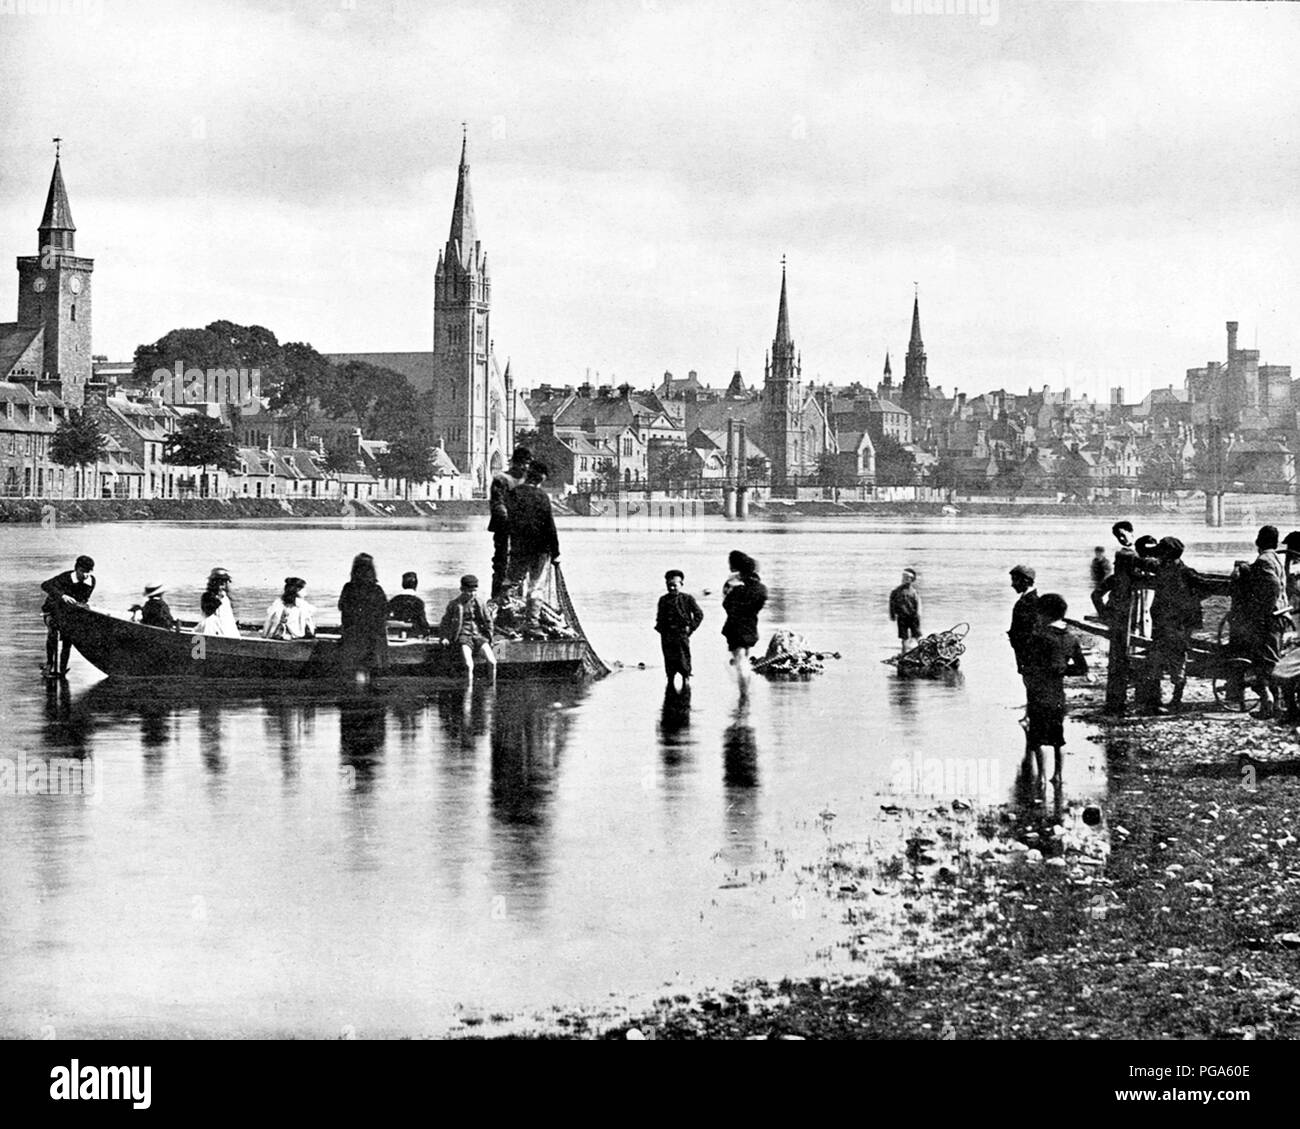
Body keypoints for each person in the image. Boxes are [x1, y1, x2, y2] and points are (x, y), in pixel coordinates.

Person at [1020, 593, 1089, 786]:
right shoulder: (1071, 639)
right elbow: (1082, 668)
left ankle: (1041, 776)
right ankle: (1058, 775)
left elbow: (1029, 665)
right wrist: (1063, 670)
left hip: (1039, 692)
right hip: (1058, 694)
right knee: (1059, 738)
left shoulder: (1037, 637)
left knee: (1036, 738)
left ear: (1045, 614)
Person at [1138, 537, 1208, 713]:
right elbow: (1143, 558)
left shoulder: (1186, 573)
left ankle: (1176, 701)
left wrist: (1191, 604)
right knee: (1156, 659)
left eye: (1161, 553)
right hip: (1163, 624)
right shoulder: (1164, 568)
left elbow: (1206, 586)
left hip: (1178, 626)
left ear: (1168, 556)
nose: (1158, 556)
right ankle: (1156, 700)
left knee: (1176, 661)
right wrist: (1141, 543)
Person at [507, 460, 561, 637]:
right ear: (541, 479)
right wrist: (556, 553)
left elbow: (507, 522)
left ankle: (504, 616)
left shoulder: (514, 493)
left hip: (519, 547)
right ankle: (532, 622)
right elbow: (549, 527)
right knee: (536, 586)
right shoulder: (542, 497)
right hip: (540, 549)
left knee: (512, 582)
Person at [1245, 525, 1290, 719]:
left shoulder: (1263, 560)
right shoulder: (1275, 558)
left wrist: (1261, 612)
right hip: (1280, 615)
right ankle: (1277, 705)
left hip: (1269, 618)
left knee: (1265, 661)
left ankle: (1268, 702)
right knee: (1273, 658)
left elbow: (1272, 587)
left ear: (1258, 541)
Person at [40, 554, 95, 675]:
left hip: (69, 613)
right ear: (76, 569)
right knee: (52, 633)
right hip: (53, 609)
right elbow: (45, 585)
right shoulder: (65, 577)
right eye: (82, 571)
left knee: (68, 638)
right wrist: (62, 596)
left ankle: (62, 668)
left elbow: (84, 599)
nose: (85, 575)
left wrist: (82, 605)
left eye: (88, 572)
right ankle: (50, 664)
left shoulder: (91, 581)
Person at [337, 553, 389, 682]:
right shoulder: (377, 589)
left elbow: (342, 608)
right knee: (371, 672)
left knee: (357, 672)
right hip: (374, 638)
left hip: (353, 637)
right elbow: (384, 612)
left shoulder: (348, 588)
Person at [489, 446, 531, 598]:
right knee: (502, 565)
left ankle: (517, 601)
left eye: (527, 463)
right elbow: (498, 504)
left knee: (521, 567)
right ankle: (498, 600)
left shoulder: (528, 481)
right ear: (515, 463)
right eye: (522, 463)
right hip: (504, 530)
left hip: (523, 533)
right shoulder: (501, 479)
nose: (525, 467)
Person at [721, 550, 768, 683]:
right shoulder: (760, 588)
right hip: (751, 625)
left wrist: (728, 591)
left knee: (740, 660)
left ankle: (743, 695)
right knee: (744, 657)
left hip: (736, 627)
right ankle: (745, 692)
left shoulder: (736, 587)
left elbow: (727, 605)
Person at [439, 573, 496, 681]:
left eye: (474, 591)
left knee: (492, 662)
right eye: (469, 591)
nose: (472, 594)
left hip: (478, 636)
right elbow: (445, 623)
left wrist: (490, 637)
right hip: (463, 637)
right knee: (469, 665)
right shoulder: (455, 604)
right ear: (462, 589)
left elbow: (488, 621)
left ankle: (491, 688)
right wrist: (445, 637)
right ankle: (468, 692)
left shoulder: (480, 603)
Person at [655, 569, 704, 691]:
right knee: (669, 659)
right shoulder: (663, 600)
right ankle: (670, 682)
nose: (672, 588)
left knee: (683, 658)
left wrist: (691, 628)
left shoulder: (687, 599)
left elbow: (699, 614)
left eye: (674, 585)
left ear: (681, 584)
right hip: (667, 635)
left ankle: (686, 681)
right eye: (669, 585)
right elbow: (659, 617)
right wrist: (661, 629)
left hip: (682, 634)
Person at [1006, 564, 1039, 675]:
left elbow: (1027, 633)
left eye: (1015, 580)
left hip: (1028, 657)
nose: (1012, 585)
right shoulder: (1031, 600)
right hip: (1029, 657)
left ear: (1025, 581)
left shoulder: (1027, 602)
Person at [196, 567, 240, 637]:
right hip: (211, 629)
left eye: (224, 582)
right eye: (219, 582)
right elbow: (208, 611)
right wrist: (218, 598)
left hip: (226, 630)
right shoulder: (207, 596)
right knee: (210, 621)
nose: (222, 584)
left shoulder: (226, 598)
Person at [387, 571, 432, 637]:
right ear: (416, 585)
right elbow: (422, 621)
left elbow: (386, 615)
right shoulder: (418, 602)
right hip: (413, 633)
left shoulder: (394, 600)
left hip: (396, 631)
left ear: (402, 584)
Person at [888, 568, 922, 653]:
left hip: (913, 616)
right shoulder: (896, 592)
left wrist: (918, 614)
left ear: (912, 580)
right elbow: (892, 604)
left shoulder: (914, 592)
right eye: (904, 577)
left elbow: (918, 604)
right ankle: (904, 653)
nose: (906, 579)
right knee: (904, 638)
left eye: (908, 578)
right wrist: (892, 615)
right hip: (902, 617)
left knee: (917, 636)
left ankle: (922, 652)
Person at [1088, 546, 1112, 618]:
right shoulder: (1095, 561)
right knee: (1097, 596)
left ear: (1102, 553)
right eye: (1096, 552)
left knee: (1098, 596)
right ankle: (1102, 612)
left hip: (1104, 581)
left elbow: (1108, 572)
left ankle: (1104, 613)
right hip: (1097, 581)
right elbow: (1092, 571)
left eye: (1099, 553)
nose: (1097, 554)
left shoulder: (1105, 562)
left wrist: (1104, 581)